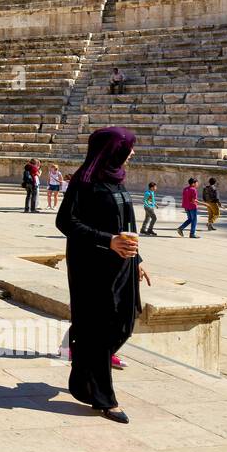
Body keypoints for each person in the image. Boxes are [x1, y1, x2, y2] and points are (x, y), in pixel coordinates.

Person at [56, 127, 150, 424]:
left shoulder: (118, 179)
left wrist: (138, 260)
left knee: (124, 325)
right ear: (112, 150)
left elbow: (128, 222)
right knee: (99, 331)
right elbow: (65, 222)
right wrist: (107, 240)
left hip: (123, 263)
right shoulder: (84, 182)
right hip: (91, 267)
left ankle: (82, 374)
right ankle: (104, 399)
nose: (132, 153)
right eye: (128, 148)